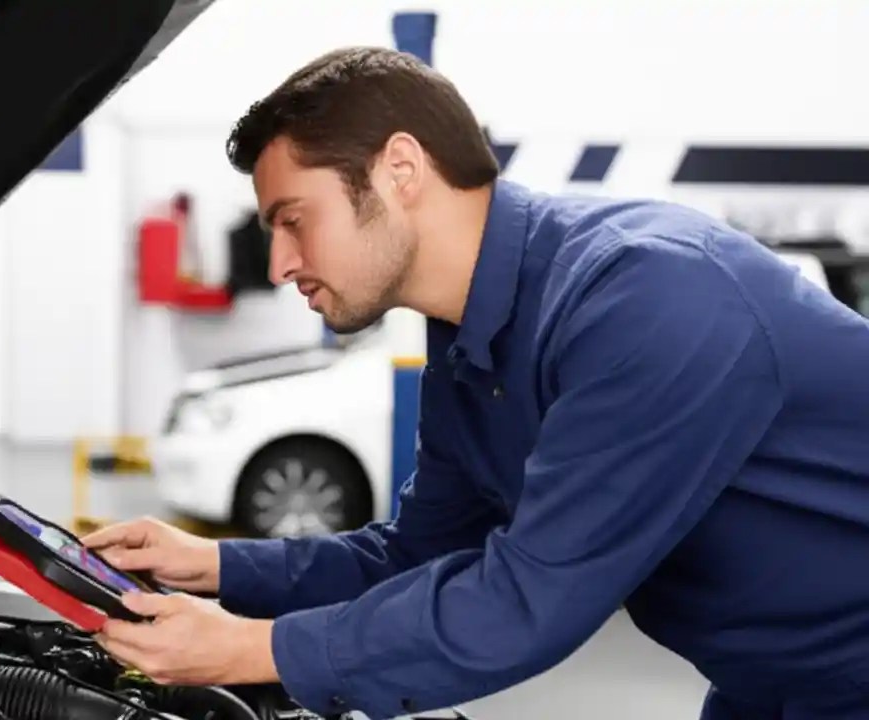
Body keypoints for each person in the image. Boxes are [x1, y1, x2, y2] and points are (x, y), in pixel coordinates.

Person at [84, 46, 869, 719]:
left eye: (294, 219)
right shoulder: (470, 352)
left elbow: (526, 601)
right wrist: (218, 568)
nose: (283, 262)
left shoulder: (650, 296)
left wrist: (249, 651)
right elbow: (416, 560)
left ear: (399, 169)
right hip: (771, 687)